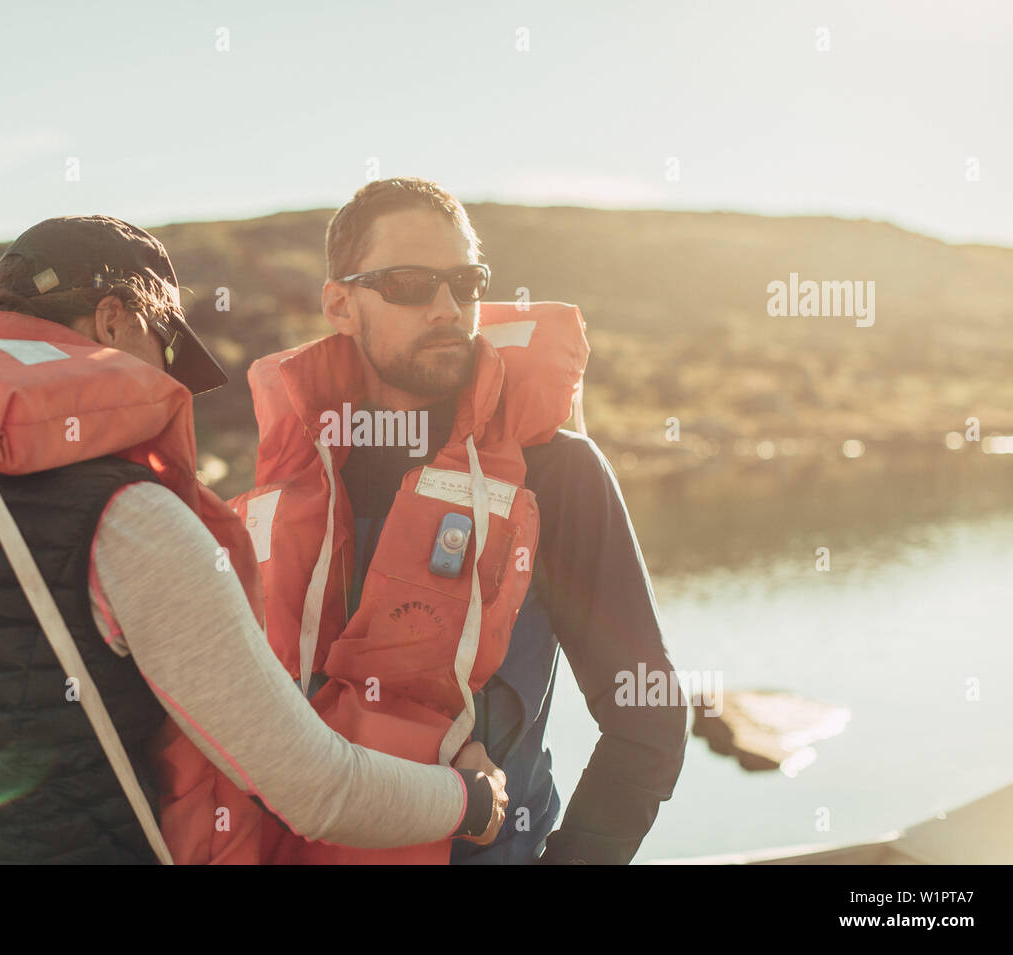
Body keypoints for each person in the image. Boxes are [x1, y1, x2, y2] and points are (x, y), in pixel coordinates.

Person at [0, 214, 507, 865]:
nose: (173, 377)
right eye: (168, 346)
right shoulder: (126, 516)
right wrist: (469, 800)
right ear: (114, 319)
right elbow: (314, 787)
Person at [226, 179, 688, 864]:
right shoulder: (295, 481)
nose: (447, 308)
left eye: (466, 282)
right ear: (340, 304)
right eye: (410, 283)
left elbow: (647, 719)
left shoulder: (557, 476)